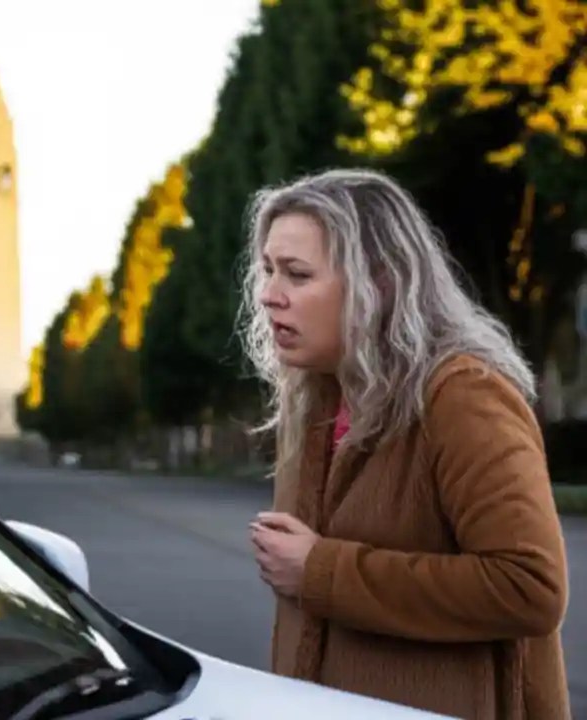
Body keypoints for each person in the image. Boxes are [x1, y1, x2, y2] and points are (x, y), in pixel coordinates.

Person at [241, 168, 571, 719]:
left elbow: (529, 586)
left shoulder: (463, 395)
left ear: (381, 281)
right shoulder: (316, 398)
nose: (270, 295)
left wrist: (321, 570)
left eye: (297, 274)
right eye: (268, 270)